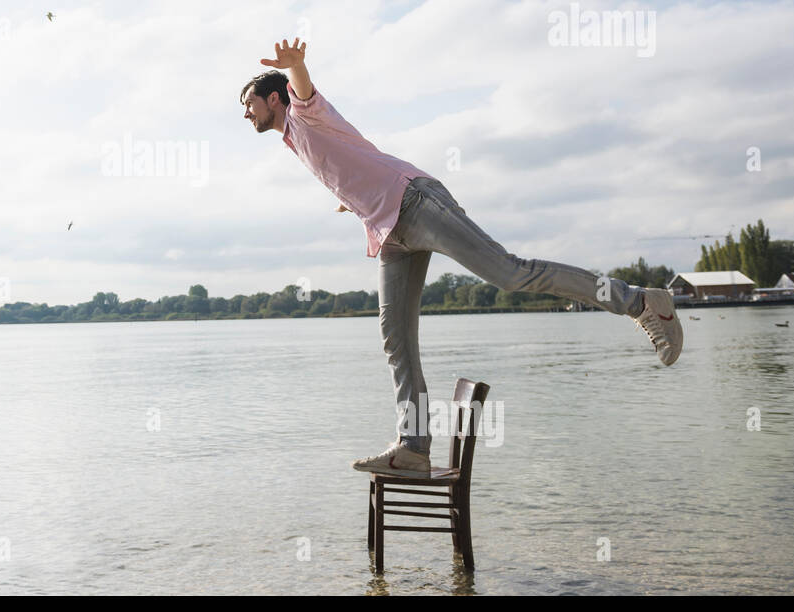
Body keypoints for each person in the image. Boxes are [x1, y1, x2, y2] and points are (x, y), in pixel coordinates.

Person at [241, 38, 683, 476]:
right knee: (396, 338)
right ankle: (413, 447)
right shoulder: (294, 139)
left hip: (415, 203)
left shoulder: (302, 113)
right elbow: (348, 160)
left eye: (249, 103)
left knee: (511, 274)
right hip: (389, 231)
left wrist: (296, 65)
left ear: (274, 98)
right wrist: (352, 197)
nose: (246, 113)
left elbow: (303, 91)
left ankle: (641, 301)